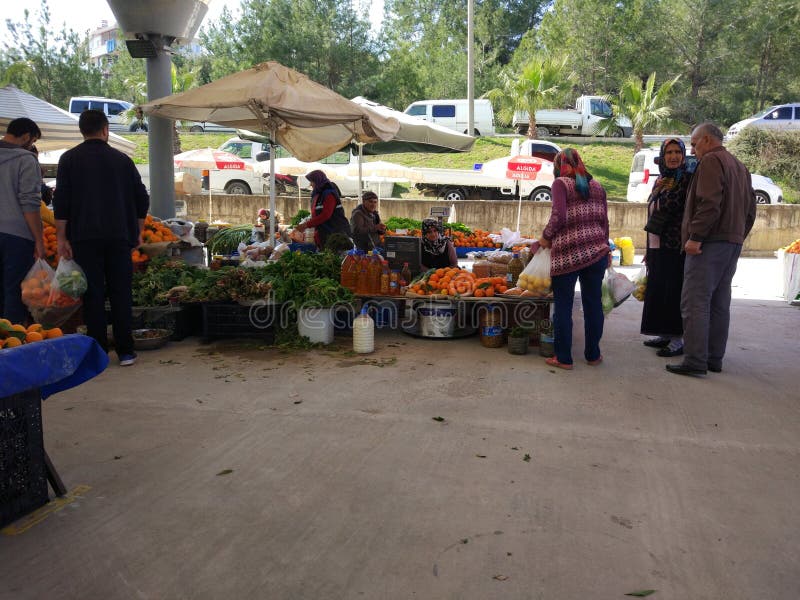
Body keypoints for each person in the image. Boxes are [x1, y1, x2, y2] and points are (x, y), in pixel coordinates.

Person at [53, 109, 149, 366]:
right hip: (119, 236)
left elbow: (61, 202)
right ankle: (126, 351)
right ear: (106, 129)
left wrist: (61, 238)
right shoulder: (122, 160)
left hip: (84, 237)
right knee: (121, 292)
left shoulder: (69, 160)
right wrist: (138, 230)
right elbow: (142, 198)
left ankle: (98, 352)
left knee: (93, 294)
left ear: (82, 130)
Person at [666, 123, 756, 376]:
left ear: (706, 140)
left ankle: (695, 360)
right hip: (731, 242)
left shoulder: (711, 162)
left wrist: (695, 237)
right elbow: (750, 211)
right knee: (719, 302)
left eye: (694, 144)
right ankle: (713, 358)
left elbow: (709, 203)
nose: (693, 150)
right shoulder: (739, 166)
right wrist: (737, 235)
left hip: (709, 243)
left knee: (695, 302)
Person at [535, 148, 609, 370]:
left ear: (559, 166)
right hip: (597, 252)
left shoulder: (560, 184)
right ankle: (593, 355)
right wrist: (606, 248)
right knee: (593, 305)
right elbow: (604, 221)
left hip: (568, 254)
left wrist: (544, 238)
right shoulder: (597, 186)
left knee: (564, 307)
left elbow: (559, 216)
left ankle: (564, 358)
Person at [640, 138, 692, 358]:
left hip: (674, 246)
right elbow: (652, 211)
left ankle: (677, 339)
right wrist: (648, 250)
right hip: (657, 246)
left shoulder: (685, 179)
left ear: (683, 155)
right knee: (659, 290)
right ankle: (664, 333)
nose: (673, 157)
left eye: (677, 152)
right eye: (668, 152)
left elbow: (671, 206)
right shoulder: (661, 179)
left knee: (673, 292)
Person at [0, 117, 44, 324]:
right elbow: (30, 204)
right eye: (33, 141)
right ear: (26, 137)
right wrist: (39, 240)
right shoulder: (26, 160)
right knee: (14, 292)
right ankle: (12, 345)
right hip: (16, 237)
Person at [295, 170, 352, 249]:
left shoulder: (329, 194)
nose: (310, 184)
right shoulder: (318, 194)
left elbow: (326, 215)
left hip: (336, 234)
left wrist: (306, 225)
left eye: (312, 182)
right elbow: (316, 213)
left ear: (318, 181)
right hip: (325, 232)